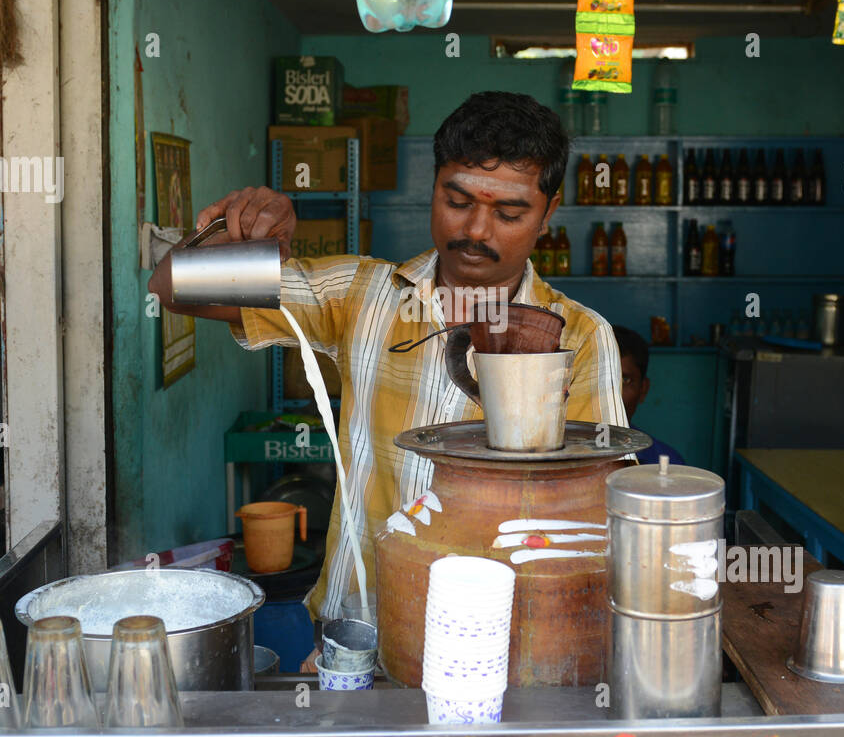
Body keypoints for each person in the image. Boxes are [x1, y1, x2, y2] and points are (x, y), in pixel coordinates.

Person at [149, 91, 627, 665]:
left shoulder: (580, 336)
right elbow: (172, 287)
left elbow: (595, 512)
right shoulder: (359, 296)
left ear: (548, 214)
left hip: (508, 647)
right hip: (359, 634)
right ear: (433, 189)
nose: (476, 230)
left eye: (509, 213)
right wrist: (241, 237)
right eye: (457, 200)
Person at [613, 325, 685, 466]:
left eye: (625, 380)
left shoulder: (667, 466)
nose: (612, 393)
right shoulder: (561, 459)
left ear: (643, 389)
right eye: (599, 379)